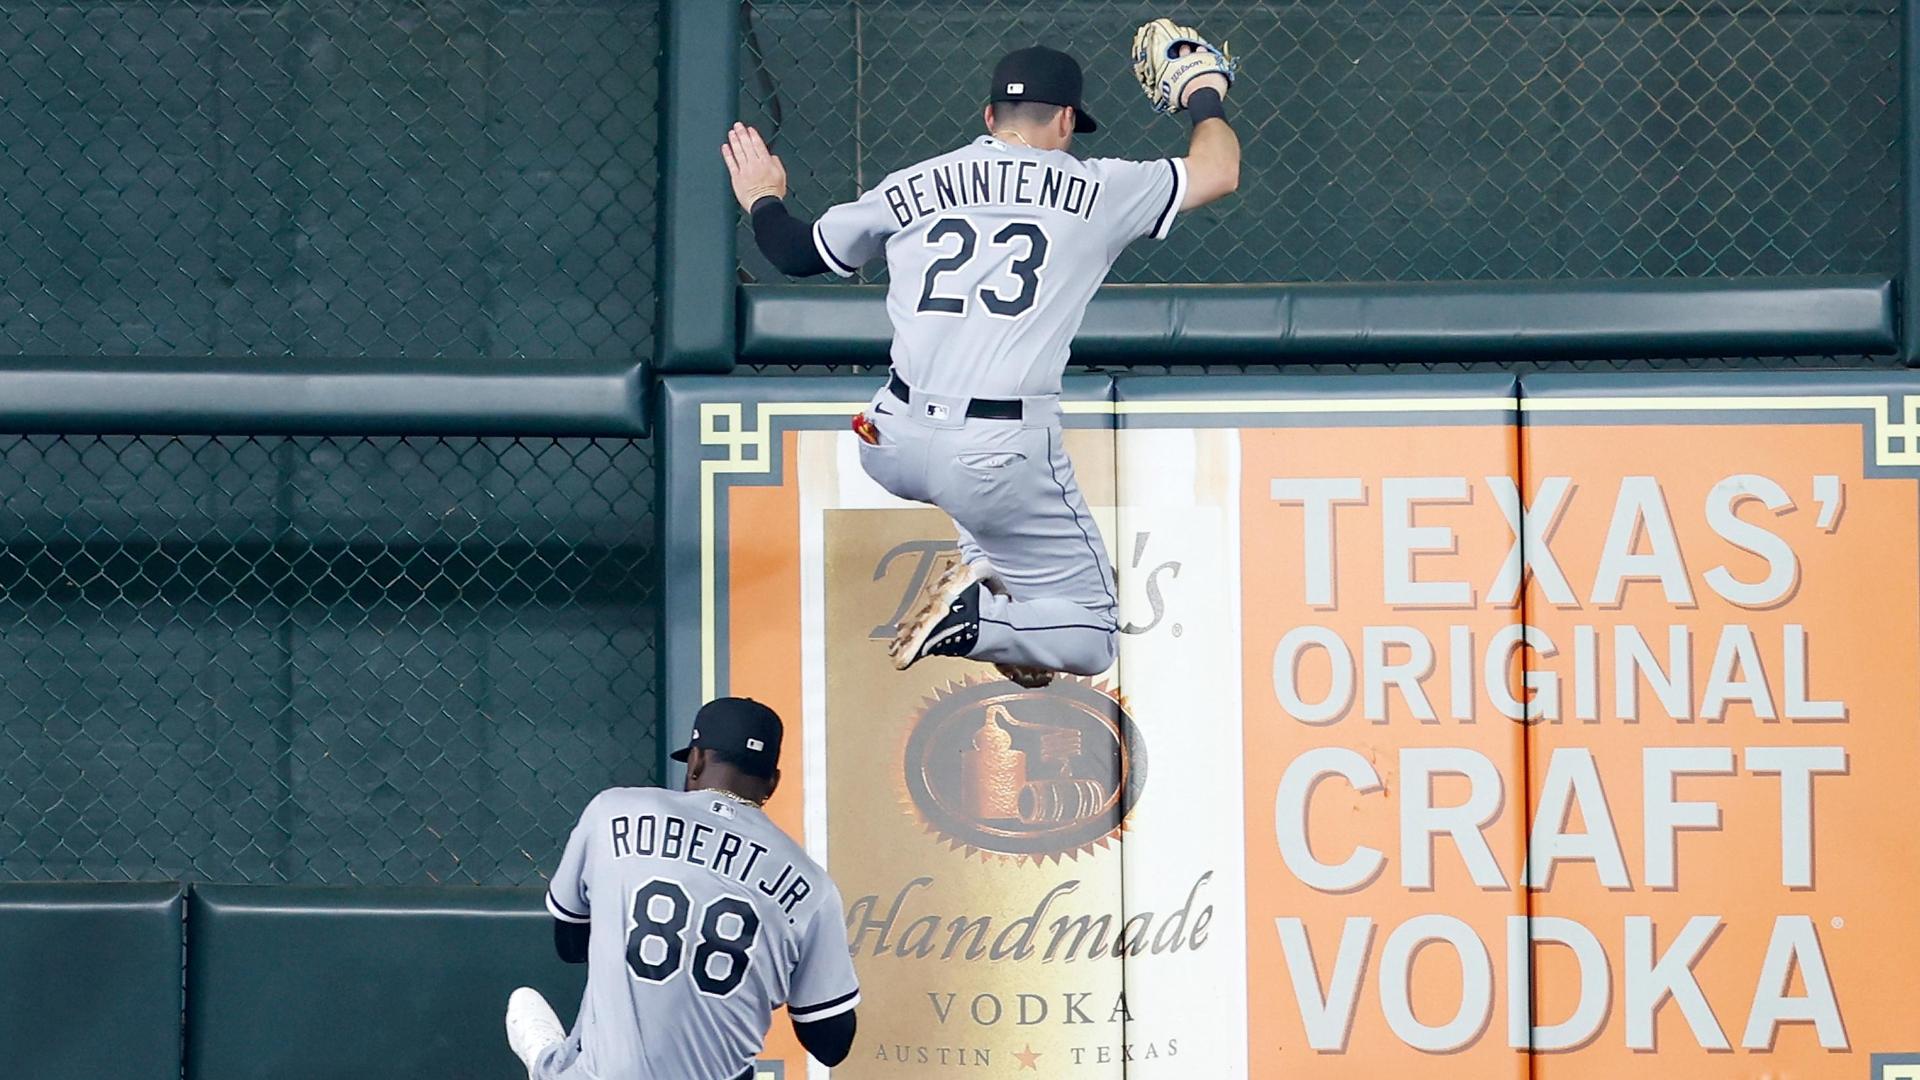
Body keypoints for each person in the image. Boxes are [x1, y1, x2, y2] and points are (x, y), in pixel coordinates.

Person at [721, 31, 1241, 688]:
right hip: (994, 448)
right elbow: (1219, 170)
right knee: (1089, 633)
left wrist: (763, 195)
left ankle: (995, 586)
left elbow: (796, 254)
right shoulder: (1099, 187)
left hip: (884, 437)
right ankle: (980, 618)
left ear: (990, 117)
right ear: (1065, 121)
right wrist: (1204, 95)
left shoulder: (913, 183)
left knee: (974, 490)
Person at [504, 697, 859, 1080]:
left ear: (697, 762)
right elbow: (831, 1043)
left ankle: (549, 1062)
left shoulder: (614, 811)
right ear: (772, 783)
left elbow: (570, 945)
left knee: (584, 1048)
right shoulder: (812, 885)